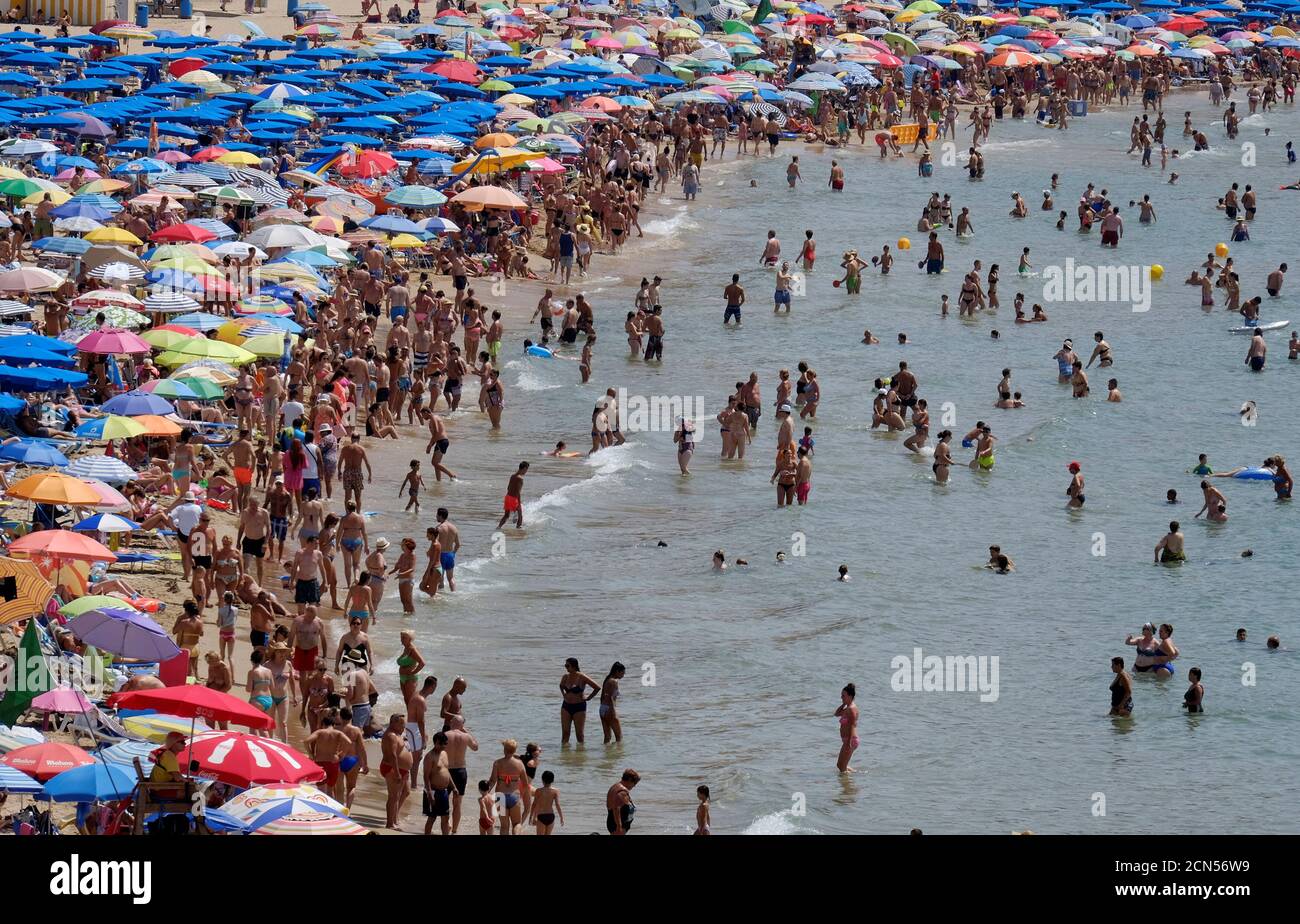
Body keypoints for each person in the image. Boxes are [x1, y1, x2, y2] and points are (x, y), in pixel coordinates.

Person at [559, 657, 600, 744]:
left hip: (579, 707)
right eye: (565, 665)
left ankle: (581, 755)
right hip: (566, 707)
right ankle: (564, 755)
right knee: (565, 733)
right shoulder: (565, 677)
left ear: (574, 666)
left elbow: (597, 687)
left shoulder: (582, 677)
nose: (566, 667)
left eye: (567, 665)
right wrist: (564, 695)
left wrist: (589, 698)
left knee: (579, 734)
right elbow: (561, 686)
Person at [527, 770, 564, 835]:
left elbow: (534, 804)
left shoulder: (538, 791)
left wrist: (531, 817)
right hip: (551, 816)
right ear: (552, 780)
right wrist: (561, 817)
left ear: (542, 780)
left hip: (541, 816)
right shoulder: (555, 791)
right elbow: (558, 805)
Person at [606, 768, 640, 835]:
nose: (635, 786)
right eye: (635, 783)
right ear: (630, 780)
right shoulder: (622, 792)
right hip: (617, 826)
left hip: (613, 822)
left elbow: (610, 806)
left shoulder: (615, 786)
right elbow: (616, 808)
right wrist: (619, 827)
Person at [835, 683, 859, 772]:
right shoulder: (847, 708)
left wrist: (848, 743)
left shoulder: (852, 709)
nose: (841, 697)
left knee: (842, 767)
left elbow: (852, 726)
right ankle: (855, 773)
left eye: (843, 696)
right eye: (841, 695)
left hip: (851, 740)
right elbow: (836, 714)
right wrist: (843, 704)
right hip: (847, 740)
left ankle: (847, 784)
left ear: (850, 696)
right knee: (840, 765)